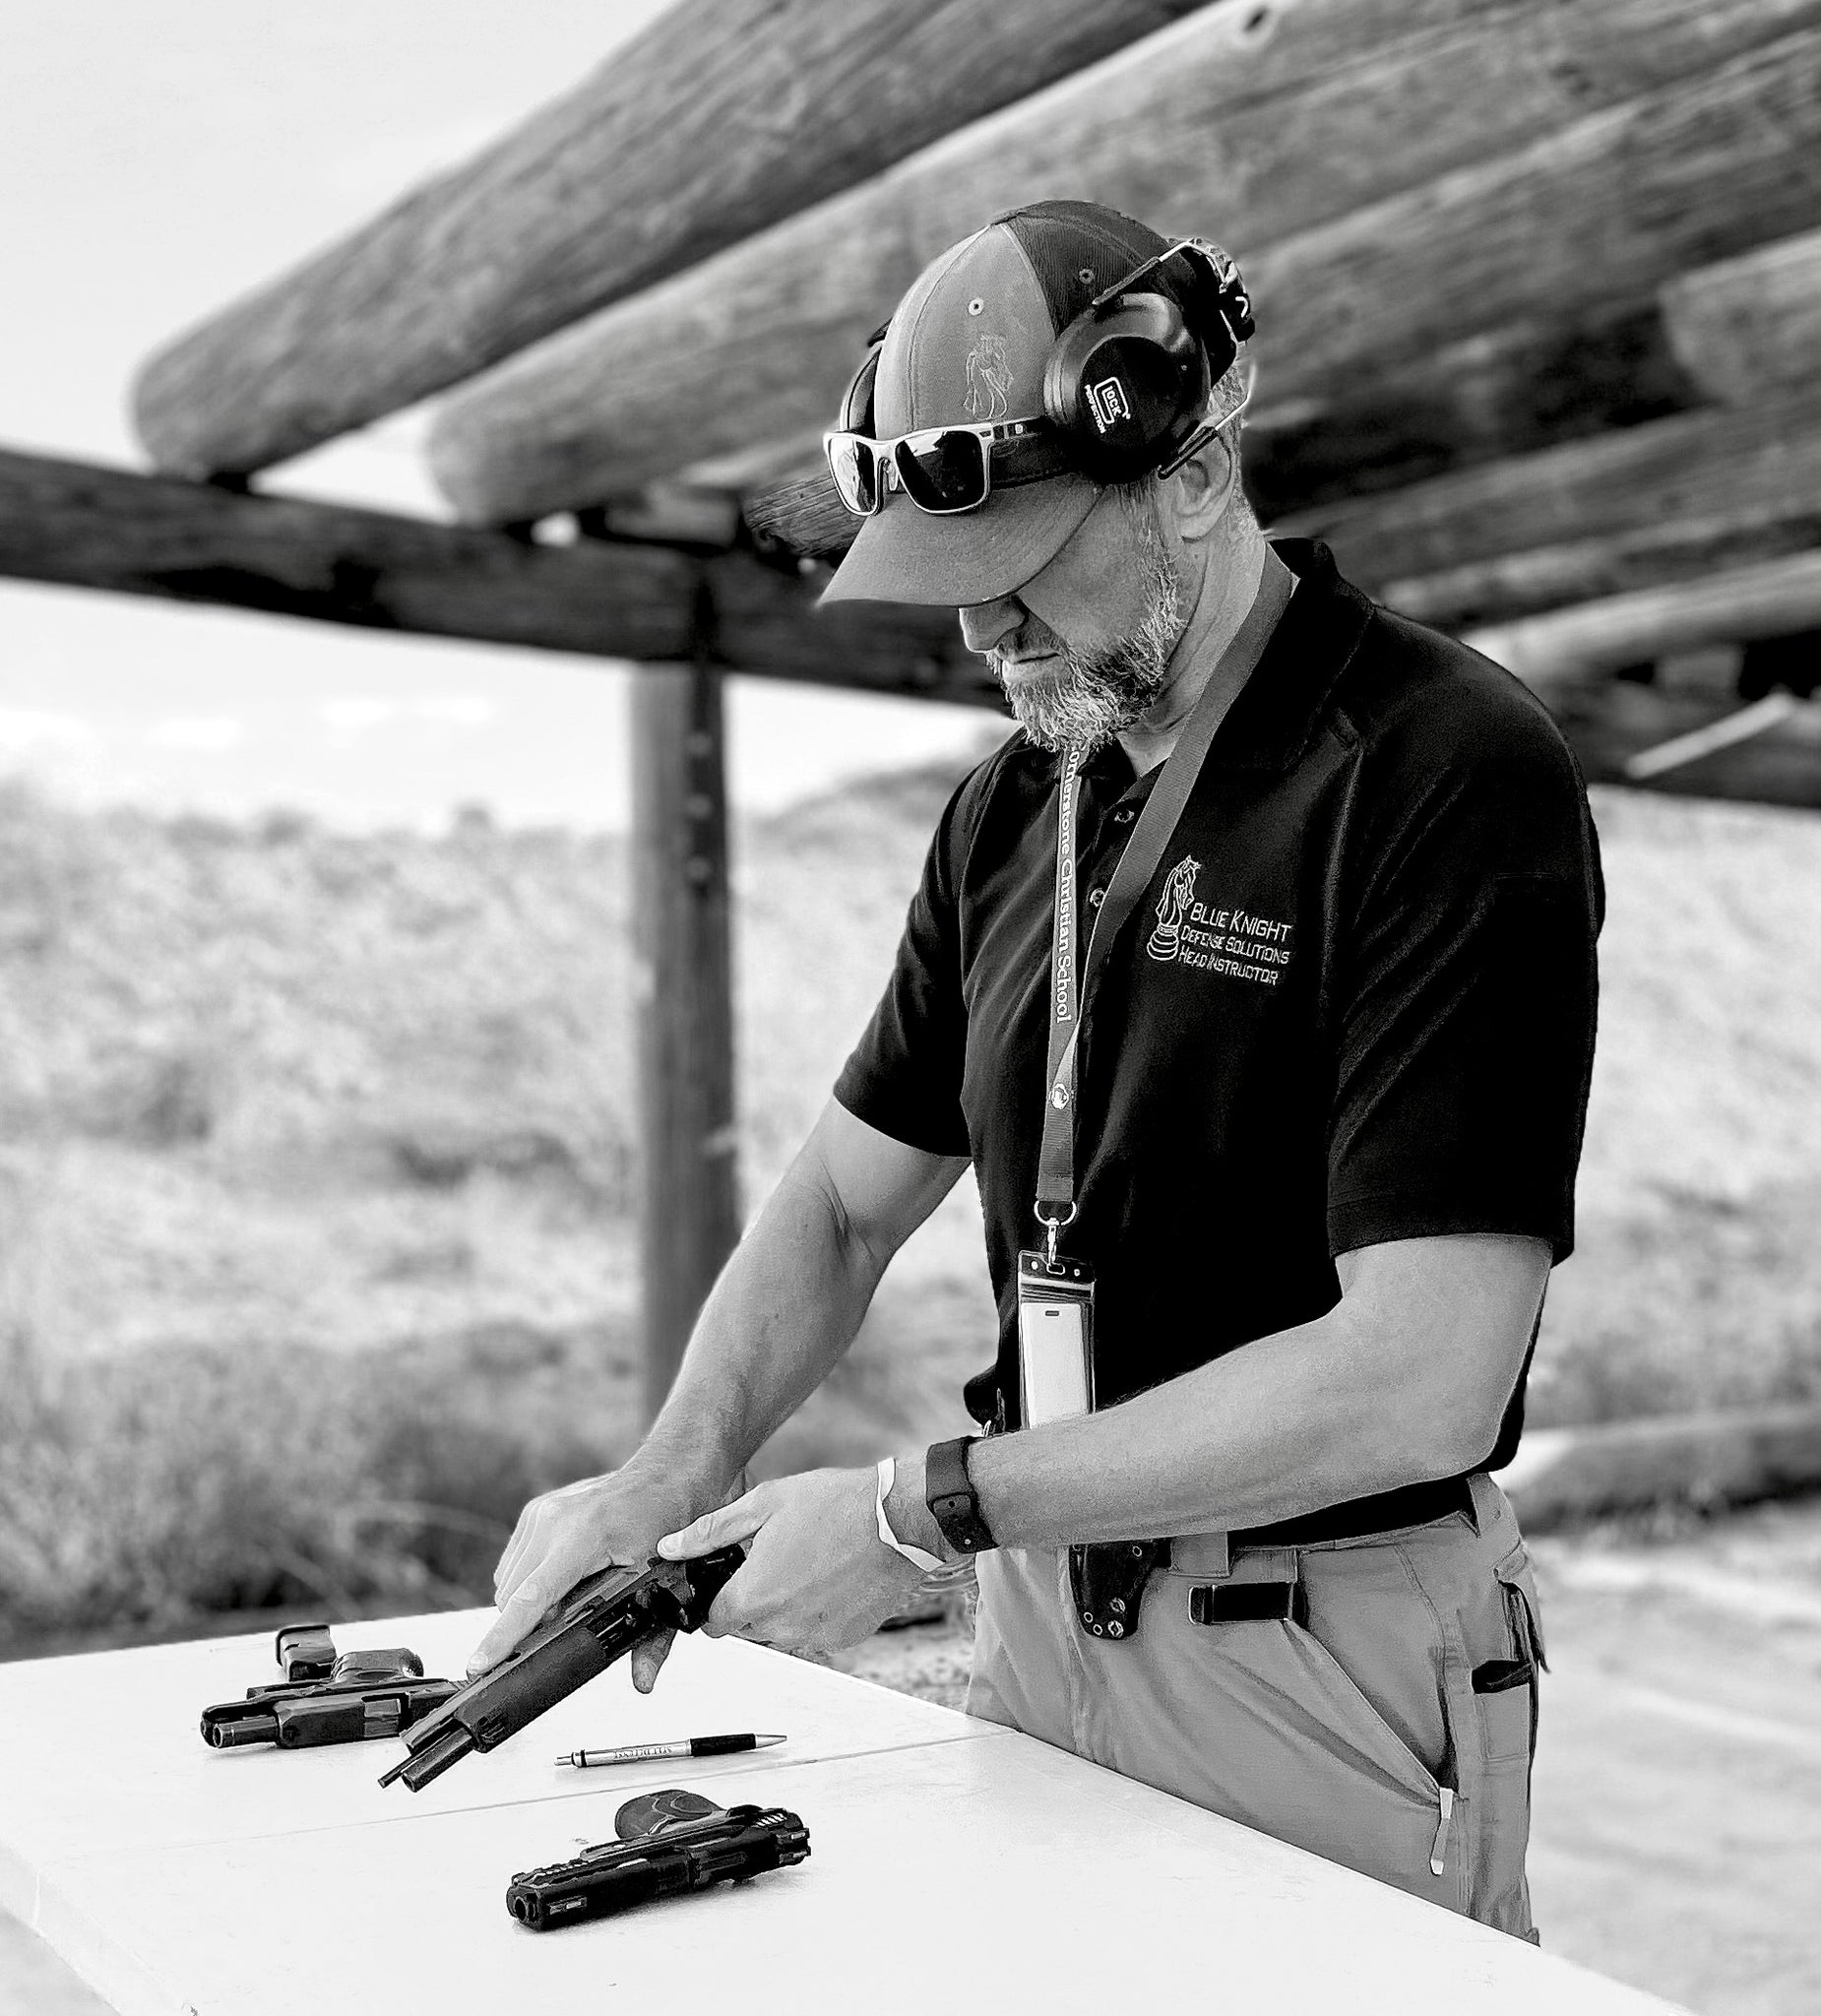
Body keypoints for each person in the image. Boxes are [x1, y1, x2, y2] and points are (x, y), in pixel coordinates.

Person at [471, 200, 1601, 1940]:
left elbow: (1422, 1378)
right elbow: (843, 1205)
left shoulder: (1444, 767)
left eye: (1021, 564)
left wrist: (922, 1512)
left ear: (1197, 472)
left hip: (1321, 1642)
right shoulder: (1014, 807)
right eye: (948, 579)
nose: (980, 631)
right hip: (1044, 1611)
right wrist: (673, 1470)